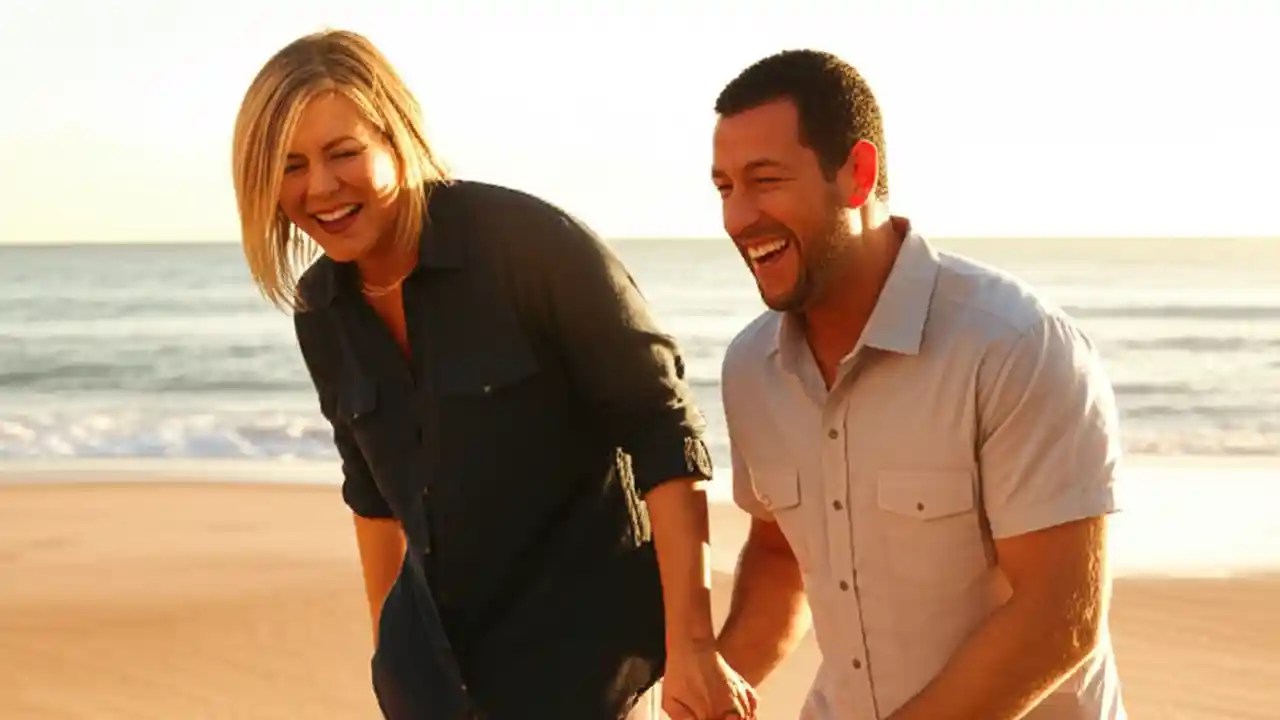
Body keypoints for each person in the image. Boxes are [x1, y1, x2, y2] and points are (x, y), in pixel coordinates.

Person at [230, 29, 755, 720]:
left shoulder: (529, 247)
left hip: (593, 681)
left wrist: (693, 646)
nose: (320, 187)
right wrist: (389, 665)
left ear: (396, 137)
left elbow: (665, 430)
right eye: (290, 165)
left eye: (344, 153)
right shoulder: (322, 311)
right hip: (436, 694)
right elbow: (373, 498)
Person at [710, 49, 1127, 719]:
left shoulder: (1014, 346)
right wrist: (709, 696)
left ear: (858, 173)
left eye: (765, 180)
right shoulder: (750, 370)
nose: (738, 217)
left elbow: (1058, 618)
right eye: (725, 188)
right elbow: (780, 553)